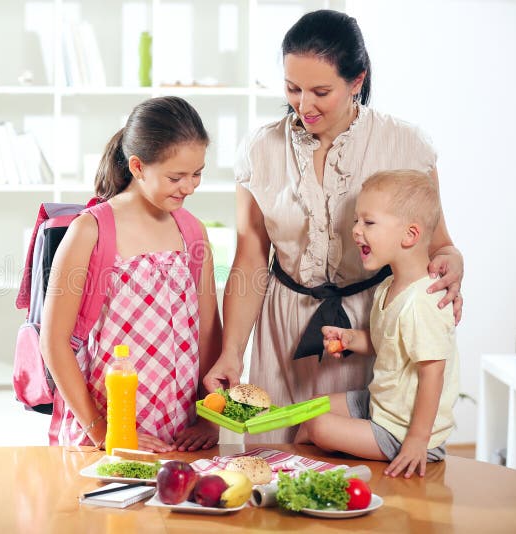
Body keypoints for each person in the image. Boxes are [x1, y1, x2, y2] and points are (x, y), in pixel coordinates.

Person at [203, 9, 464, 444]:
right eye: (292, 88)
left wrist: (453, 263)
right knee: (273, 465)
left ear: (356, 81)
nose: (303, 105)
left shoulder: (407, 145)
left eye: (320, 91)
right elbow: (250, 260)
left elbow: (439, 245)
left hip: (371, 324)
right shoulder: (260, 150)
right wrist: (232, 353)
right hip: (283, 327)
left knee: (364, 477)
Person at [40, 96, 222, 453]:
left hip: (178, 437)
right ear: (138, 166)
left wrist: (209, 418)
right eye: (176, 176)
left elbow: (207, 333)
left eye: (198, 173)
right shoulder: (90, 231)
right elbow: (54, 342)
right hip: (105, 435)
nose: (189, 187)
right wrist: (104, 431)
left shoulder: (193, 232)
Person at [294, 170, 459, 478]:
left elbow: (433, 373)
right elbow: (386, 343)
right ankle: (296, 472)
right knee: (311, 409)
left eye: (368, 223)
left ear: (409, 235)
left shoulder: (423, 301)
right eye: (357, 220)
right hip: (383, 404)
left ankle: (308, 476)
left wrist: (416, 441)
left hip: (404, 430)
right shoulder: (388, 287)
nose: (356, 230)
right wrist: (351, 339)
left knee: (318, 424)